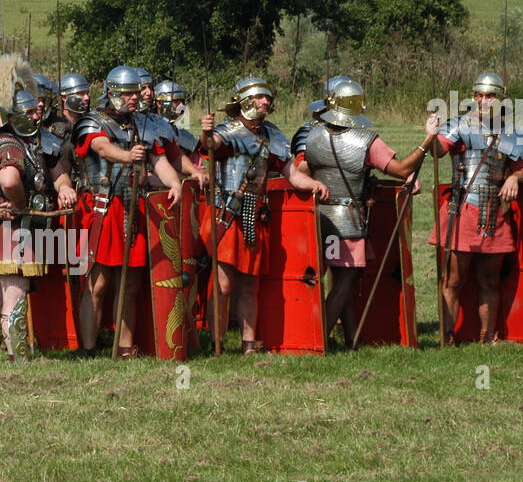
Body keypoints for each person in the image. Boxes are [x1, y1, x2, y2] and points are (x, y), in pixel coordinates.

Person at [298, 79, 439, 347]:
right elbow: (401, 170)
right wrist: (427, 140)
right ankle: (319, 341)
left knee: (341, 281)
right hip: (348, 223)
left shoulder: (313, 136)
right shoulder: (366, 140)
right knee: (345, 282)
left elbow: (305, 171)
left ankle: (352, 339)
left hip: (321, 219)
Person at [201, 77, 328, 352]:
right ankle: (216, 344)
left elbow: (292, 174)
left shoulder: (272, 134)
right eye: (261, 97)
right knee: (222, 284)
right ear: (246, 101)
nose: (266, 102)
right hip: (227, 214)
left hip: (255, 216)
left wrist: (314, 184)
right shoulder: (228, 131)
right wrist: (206, 133)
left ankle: (248, 344)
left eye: (268, 98)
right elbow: (209, 147)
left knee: (250, 284)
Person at [74, 65, 185, 357]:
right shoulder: (90, 121)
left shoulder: (140, 124)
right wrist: (127, 155)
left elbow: (158, 159)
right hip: (104, 207)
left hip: (134, 208)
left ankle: (125, 347)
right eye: (127, 93)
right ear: (111, 93)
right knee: (98, 283)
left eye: (136, 92)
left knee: (131, 283)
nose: (134, 98)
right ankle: (88, 348)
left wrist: (175, 183)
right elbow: (100, 149)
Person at [427, 72, 523, 344]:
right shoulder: (459, 125)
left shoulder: (513, 131)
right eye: (480, 96)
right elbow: (438, 150)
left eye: (491, 96)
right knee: (453, 280)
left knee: (488, 280)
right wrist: (431, 136)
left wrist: (512, 177)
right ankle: (448, 337)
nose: (484, 101)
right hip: (463, 210)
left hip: (495, 211)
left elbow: (522, 170)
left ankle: (487, 337)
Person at [0, 90, 78, 361]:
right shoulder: (7, 143)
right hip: (9, 230)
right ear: (13, 117)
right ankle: (17, 358)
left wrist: (65, 188)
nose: (37, 115)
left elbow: (59, 175)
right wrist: (20, 205)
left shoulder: (33, 141)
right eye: (30, 112)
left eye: (38, 111)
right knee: (14, 293)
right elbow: (9, 181)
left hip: (5, 230)